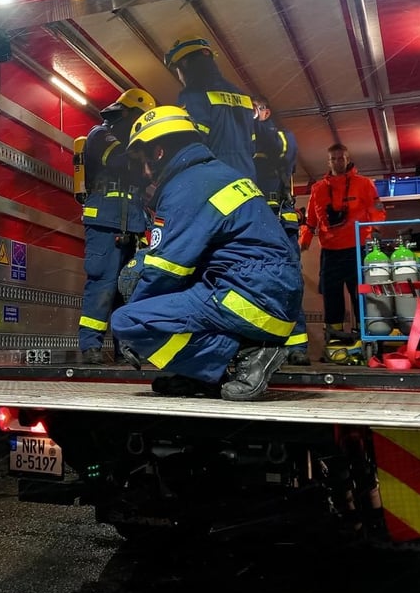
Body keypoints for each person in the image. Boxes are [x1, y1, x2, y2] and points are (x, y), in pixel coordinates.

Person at [110, 106, 302, 401]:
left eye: (142, 159)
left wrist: (137, 323)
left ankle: (242, 358)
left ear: (158, 152)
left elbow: (166, 269)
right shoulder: (217, 174)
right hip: (268, 294)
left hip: (250, 297)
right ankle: (200, 373)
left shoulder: (185, 187)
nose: (143, 170)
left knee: (127, 318)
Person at [78, 88, 156, 364]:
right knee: (103, 283)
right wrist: (140, 157)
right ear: (129, 112)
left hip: (132, 224)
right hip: (105, 222)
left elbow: (146, 177)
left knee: (128, 287)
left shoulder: (138, 145)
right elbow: (119, 161)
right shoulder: (101, 134)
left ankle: (125, 348)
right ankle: (91, 346)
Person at [298, 143, 385, 340]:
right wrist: (304, 243)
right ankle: (334, 338)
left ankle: (366, 336)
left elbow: (377, 210)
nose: (338, 162)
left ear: (348, 158)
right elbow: (310, 220)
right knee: (331, 297)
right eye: (334, 159)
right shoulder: (318, 189)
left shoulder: (364, 184)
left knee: (361, 295)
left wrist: (376, 232)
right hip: (330, 251)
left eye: (341, 158)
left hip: (358, 248)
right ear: (328, 162)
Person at [252, 94, 308, 364]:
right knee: (252, 282)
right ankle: (258, 347)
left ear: (266, 111)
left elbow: (278, 150)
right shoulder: (241, 143)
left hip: (279, 219)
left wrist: (254, 123)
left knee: (287, 281)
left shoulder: (282, 136)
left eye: (256, 109)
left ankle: (297, 346)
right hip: (251, 223)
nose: (252, 114)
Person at [163, 36, 256, 180]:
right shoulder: (242, 96)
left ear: (185, 63)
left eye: (178, 70)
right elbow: (252, 147)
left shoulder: (193, 94)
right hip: (247, 181)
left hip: (215, 181)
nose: (179, 77)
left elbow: (190, 144)